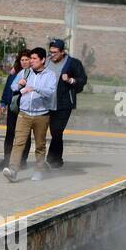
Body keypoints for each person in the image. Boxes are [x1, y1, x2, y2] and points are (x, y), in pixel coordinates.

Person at [3, 47, 57, 183]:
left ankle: (39, 170)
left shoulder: (50, 75)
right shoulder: (25, 72)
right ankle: (13, 170)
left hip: (42, 115)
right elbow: (13, 87)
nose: (31, 61)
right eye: (30, 58)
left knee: (40, 145)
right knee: (18, 142)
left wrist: (34, 88)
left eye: (34, 58)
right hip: (24, 113)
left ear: (42, 60)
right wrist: (19, 84)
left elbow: (50, 92)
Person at [43, 37, 87, 168]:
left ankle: (53, 160)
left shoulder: (73, 63)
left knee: (57, 131)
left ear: (63, 52)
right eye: (50, 52)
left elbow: (83, 79)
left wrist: (70, 80)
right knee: (50, 132)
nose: (52, 55)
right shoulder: (46, 62)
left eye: (55, 52)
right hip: (45, 103)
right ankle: (54, 160)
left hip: (64, 103)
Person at [0, 50, 31, 170]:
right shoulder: (14, 74)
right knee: (10, 133)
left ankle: (22, 160)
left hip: (26, 109)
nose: (24, 62)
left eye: (27, 59)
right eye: (22, 60)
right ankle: (7, 159)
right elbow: (8, 89)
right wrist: (3, 102)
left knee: (25, 135)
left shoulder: (33, 74)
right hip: (13, 108)